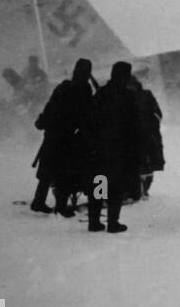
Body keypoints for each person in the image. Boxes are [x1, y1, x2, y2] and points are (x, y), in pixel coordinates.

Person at [30, 58, 96, 215]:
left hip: (53, 135)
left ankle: (38, 202)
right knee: (64, 172)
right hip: (67, 138)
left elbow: (50, 108)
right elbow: (85, 115)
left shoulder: (63, 87)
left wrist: (44, 122)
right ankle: (60, 206)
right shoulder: (83, 90)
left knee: (47, 171)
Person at [88, 61, 143, 234]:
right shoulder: (128, 96)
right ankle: (113, 222)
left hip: (99, 148)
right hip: (120, 150)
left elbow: (92, 120)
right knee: (116, 187)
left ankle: (94, 221)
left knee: (99, 184)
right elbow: (135, 126)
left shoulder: (101, 93)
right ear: (126, 76)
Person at [132, 76, 165, 199]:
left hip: (148, 135)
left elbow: (157, 113)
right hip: (135, 136)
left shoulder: (146, 95)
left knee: (148, 163)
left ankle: (144, 190)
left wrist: (150, 126)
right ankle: (138, 190)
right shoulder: (126, 97)